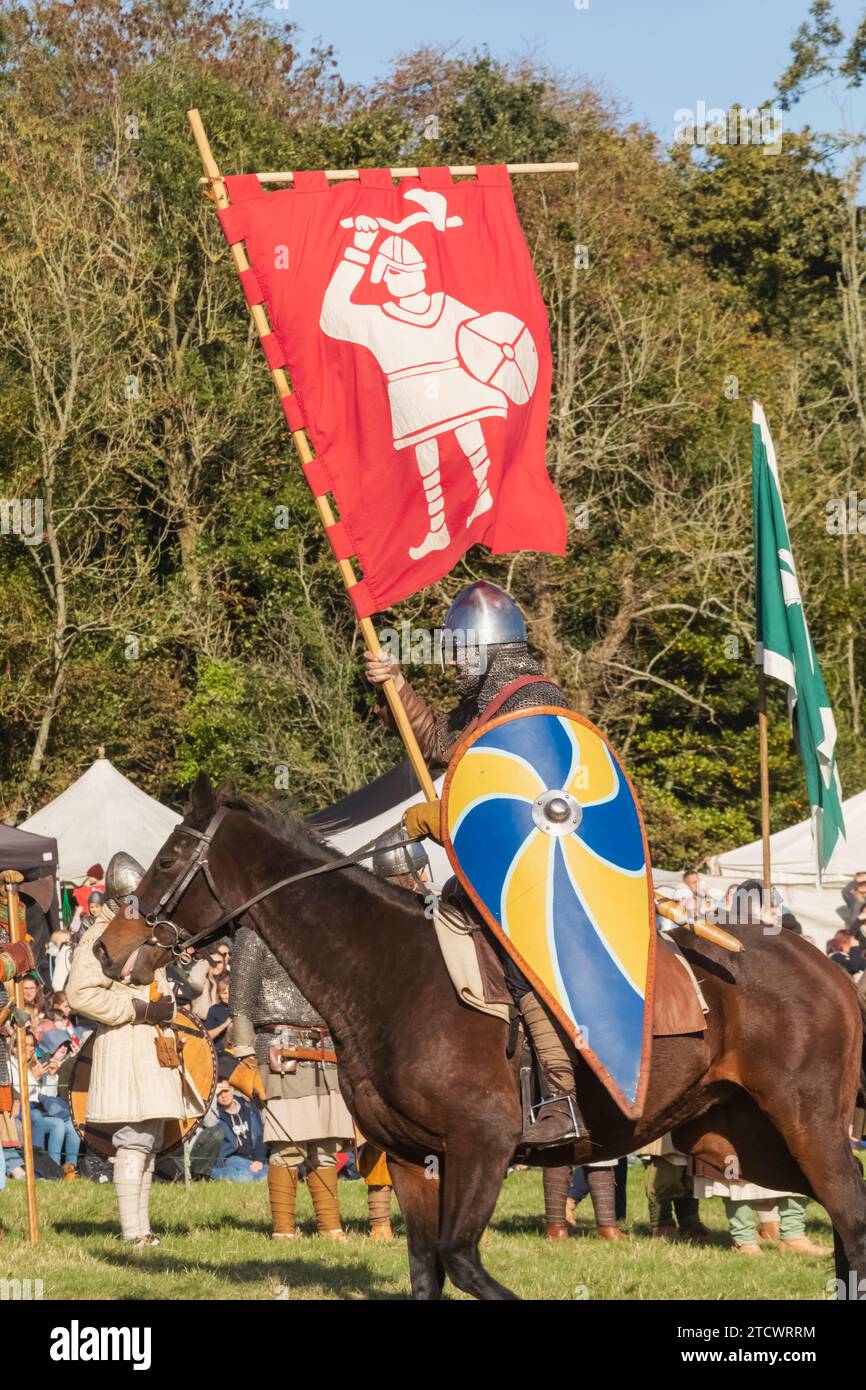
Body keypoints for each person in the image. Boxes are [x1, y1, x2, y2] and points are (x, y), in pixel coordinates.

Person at [365, 579, 582, 1147]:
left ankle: (562, 1098)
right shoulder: (487, 703)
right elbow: (440, 742)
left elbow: (534, 802)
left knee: (522, 965)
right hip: (494, 877)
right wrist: (395, 685)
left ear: (490, 649)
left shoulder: (534, 703)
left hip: (539, 876)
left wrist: (449, 818)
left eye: (461, 651)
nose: (453, 662)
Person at [65, 902, 205, 1247]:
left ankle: (143, 1229)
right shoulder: (101, 935)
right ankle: (132, 1233)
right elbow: (79, 994)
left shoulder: (143, 932)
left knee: (149, 1143)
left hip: (152, 1046)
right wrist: (137, 1010)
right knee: (133, 1139)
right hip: (125, 1045)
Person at [230, 926, 354, 1241]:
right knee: (288, 1145)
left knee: (326, 1145)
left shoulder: (324, 932)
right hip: (279, 1049)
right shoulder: (254, 933)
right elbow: (241, 1002)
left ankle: (330, 1227)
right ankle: (284, 1231)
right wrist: (245, 1053)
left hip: (326, 1049)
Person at [212, 1077, 267, 1182]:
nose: (223, 1096)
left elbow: (260, 1136)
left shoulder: (249, 1107)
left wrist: (259, 1160)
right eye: (218, 1093)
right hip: (232, 1158)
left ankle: (253, 1176)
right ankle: (214, 1173)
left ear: (232, 1090)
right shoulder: (215, 1115)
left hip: (252, 1157)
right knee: (244, 1175)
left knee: (272, 1173)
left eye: (226, 1091)